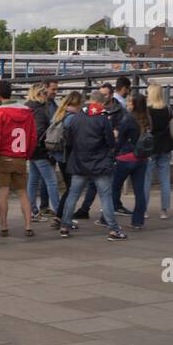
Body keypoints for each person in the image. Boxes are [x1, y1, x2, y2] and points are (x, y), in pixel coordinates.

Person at [58, 90, 125, 241]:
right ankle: (114, 229)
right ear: (102, 103)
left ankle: (65, 226)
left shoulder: (76, 117)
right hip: (100, 164)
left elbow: (68, 139)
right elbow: (111, 142)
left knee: (73, 195)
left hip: (79, 163)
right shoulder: (103, 118)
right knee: (106, 197)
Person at [0, 79, 37, 237]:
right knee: (23, 193)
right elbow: (32, 136)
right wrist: (27, 155)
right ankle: (28, 226)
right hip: (20, 157)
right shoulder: (27, 112)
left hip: (3, 157)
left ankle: (4, 226)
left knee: (3, 193)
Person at [114, 93, 150, 230]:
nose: (127, 104)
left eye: (129, 102)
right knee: (139, 190)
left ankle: (106, 217)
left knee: (113, 187)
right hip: (142, 158)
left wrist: (114, 150)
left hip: (126, 157)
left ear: (133, 104)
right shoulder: (146, 118)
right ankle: (138, 221)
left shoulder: (128, 118)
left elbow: (120, 139)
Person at [25, 84, 60, 221]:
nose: (47, 96)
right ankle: (59, 212)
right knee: (52, 181)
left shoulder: (27, 107)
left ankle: (32, 210)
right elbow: (39, 131)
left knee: (33, 180)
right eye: (45, 94)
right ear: (39, 95)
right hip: (40, 151)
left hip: (31, 150)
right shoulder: (39, 110)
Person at [144, 83, 173, 219]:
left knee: (146, 179)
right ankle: (164, 210)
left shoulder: (147, 110)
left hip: (150, 147)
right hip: (165, 146)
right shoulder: (168, 108)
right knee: (165, 179)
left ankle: (143, 209)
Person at [49, 91, 83, 207]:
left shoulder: (59, 113)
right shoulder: (73, 118)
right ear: (78, 103)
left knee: (69, 187)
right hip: (68, 156)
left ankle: (62, 216)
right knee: (71, 189)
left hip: (58, 154)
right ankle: (62, 216)